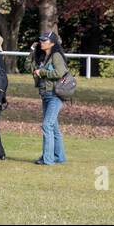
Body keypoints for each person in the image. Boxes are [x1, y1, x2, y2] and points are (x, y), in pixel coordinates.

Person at [31, 31, 68, 165]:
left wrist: (42, 72)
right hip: (46, 94)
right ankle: (59, 156)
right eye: (41, 40)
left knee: (47, 126)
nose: (42, 42)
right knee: (54, 128)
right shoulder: (43, 57)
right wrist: (32, 52)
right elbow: (28, 67)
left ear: (52, 43)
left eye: (45, 40)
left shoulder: (56, 55)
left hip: (55, 95)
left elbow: (60, 72)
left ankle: (48, 159)